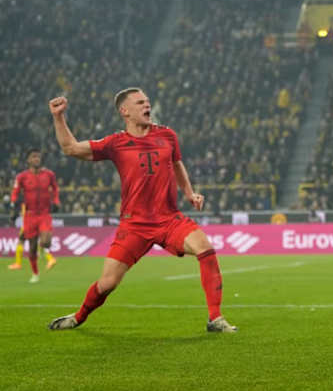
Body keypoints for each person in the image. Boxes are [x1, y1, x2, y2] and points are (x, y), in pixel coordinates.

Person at [46, 89, 237, 333]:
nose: (147, 105)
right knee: (108, 283)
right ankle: (78, 317)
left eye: (147, 101)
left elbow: (176, 163)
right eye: (140, 103)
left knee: (205, 249)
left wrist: (189, 193)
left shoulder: (167, 135)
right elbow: (70, 148)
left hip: (169, 220)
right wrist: (59, 117)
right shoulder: (115, 143)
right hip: (134, 225)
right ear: (124, 111)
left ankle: (215, 318)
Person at [10, 149, 60, 282]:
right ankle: (35, 273)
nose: (36, 159)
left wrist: (56, 201)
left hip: (44, 214)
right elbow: (15, 192)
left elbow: (55, 188)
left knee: (46, 241)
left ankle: (45, 252)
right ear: (28, 160)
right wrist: (14, 206)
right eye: (33, 157)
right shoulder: (22, 177)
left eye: (38, 157)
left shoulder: (49, 174)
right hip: (29, 215)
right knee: (32, 249)